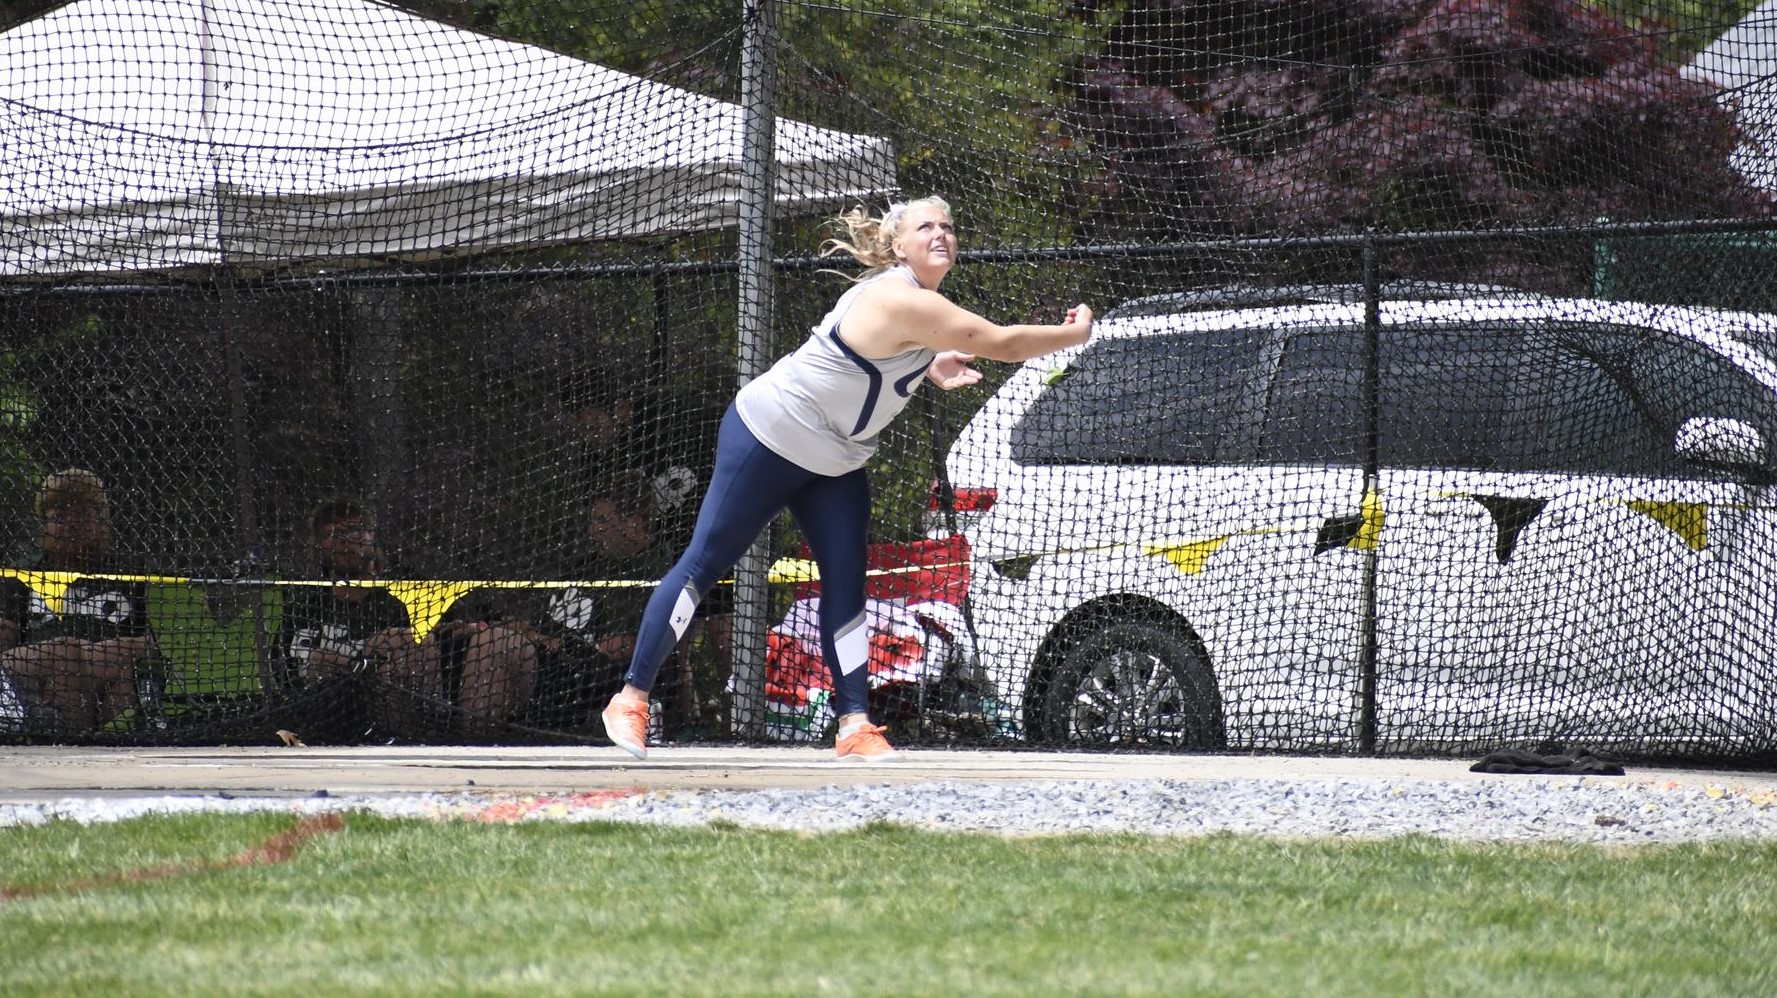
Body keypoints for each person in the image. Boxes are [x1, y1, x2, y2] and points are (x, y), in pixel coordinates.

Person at [601, 196, 1093, 761]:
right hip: (769, 435)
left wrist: (931, 364)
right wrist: (1072, 337)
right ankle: (632, 699)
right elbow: (1003, 343)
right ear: (898, 245)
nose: (940, 234)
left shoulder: (918, 305)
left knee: (846, 580)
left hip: (835, 459)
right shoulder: (897, 295)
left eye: (948, 227)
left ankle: (854, 723)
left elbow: (887, 349)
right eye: (925, 226)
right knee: (706, 561)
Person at [279, 499, 536, 740]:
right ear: (318, 545)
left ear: (372, 537)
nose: (346, 542)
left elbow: (459, 629)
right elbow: (284, 673)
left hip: (409, 709)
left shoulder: (408, 591)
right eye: (334, 535)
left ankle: (416, 742)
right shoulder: (302, 605)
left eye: (356, 532)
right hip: (328, 716)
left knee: (394, 643)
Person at [0, 468, 162, 736]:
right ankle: (75, 740)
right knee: (65, 653)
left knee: (120, 680)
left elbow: (152, 645)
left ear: (102, 520)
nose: (72, 524)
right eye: (60, 516)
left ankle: (71, 740)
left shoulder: (131, 572)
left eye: (83, 513)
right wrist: (68, 653)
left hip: (108, 673)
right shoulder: (21, 575)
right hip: (37, 674)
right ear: (45, 525)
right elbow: (5, 648)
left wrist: (89, 656)